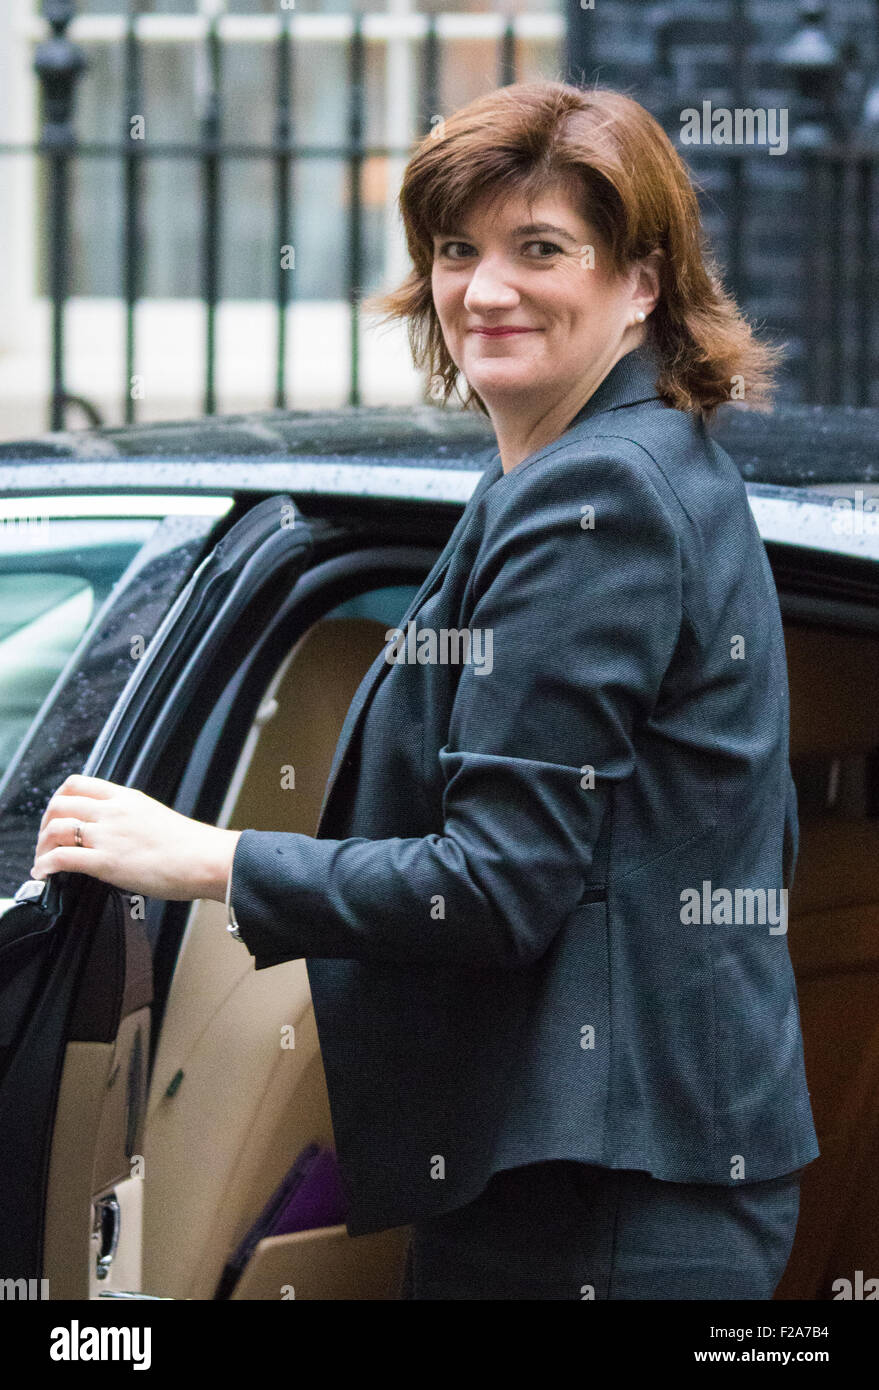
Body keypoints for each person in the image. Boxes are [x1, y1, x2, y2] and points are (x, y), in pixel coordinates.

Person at [31, 81, 818, 1299]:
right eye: (458, 249)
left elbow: (498, 885)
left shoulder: (590, 504)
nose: (484, 289)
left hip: (592, 1216)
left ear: (643, 283)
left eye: (539, 249)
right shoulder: (630, 465)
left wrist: (203, 856)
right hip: (613, 1181)